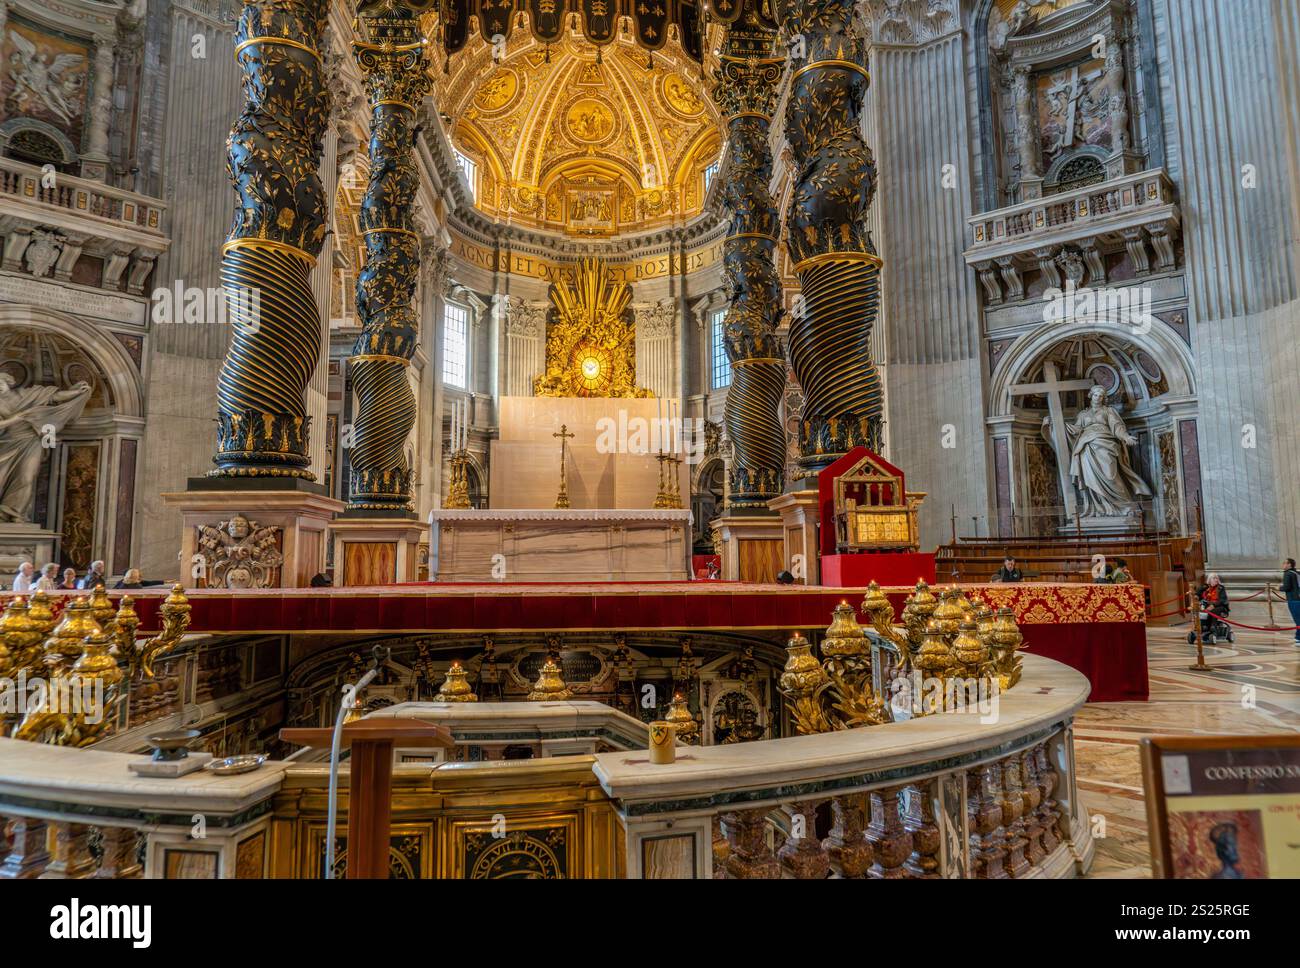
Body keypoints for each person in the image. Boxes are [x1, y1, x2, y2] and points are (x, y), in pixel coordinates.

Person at [1282, 558, 1300, 645]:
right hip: (1298, 598)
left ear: (1290, 565)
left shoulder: (1288, 574)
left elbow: (1287, 587)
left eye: (1285, 563)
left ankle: (1298, 638)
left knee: (1298, 620)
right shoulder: (1297, 573)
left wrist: (1278, 588)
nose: (1283, 565)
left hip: (1293, 599)